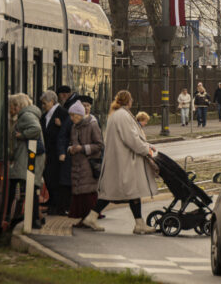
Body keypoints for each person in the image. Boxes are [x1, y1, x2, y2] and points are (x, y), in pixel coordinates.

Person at [80, 90, 158, 235]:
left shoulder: (116, 115)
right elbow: (132, 139)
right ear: (128, 100)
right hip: (126, 160)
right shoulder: (123, 116)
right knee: (125, 191)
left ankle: (93, 217)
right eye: (131, 99)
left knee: (116, 192)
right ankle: (138, 224)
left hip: (120, 160)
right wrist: (146, 149)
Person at [7, 93, 46, 229]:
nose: (9, 110)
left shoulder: (26, 116)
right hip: (28, 157)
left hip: (27, 159)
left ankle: (8, 216)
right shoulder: (29, 114)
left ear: (17, 106)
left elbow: (35, 129)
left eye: (11, 107)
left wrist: (22, 135)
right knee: (31, 189)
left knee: (15, 184)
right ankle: (34, 219)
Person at [67, 101, 103, 223]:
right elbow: (72, 143)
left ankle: (90, 219)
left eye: (73, 115)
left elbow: (99, 145)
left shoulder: (92, 125)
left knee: (87, 193)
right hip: (77, 164)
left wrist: (82, 148)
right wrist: (70, 149)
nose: (71, 118)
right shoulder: (74, 127)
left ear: (79, 115)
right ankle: (83, 219)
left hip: (88, 165)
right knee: (79, 193)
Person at [39, 90, 71, 215]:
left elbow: (68, 131)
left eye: (44, 103)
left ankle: (56, 204)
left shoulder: (62, 113)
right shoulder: (45, 115)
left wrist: (61, 125)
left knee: (54, 178)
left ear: (52, 102)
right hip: (48, 152)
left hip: (57, 153)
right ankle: (52, 201)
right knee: (48, 176)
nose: (43, 106)